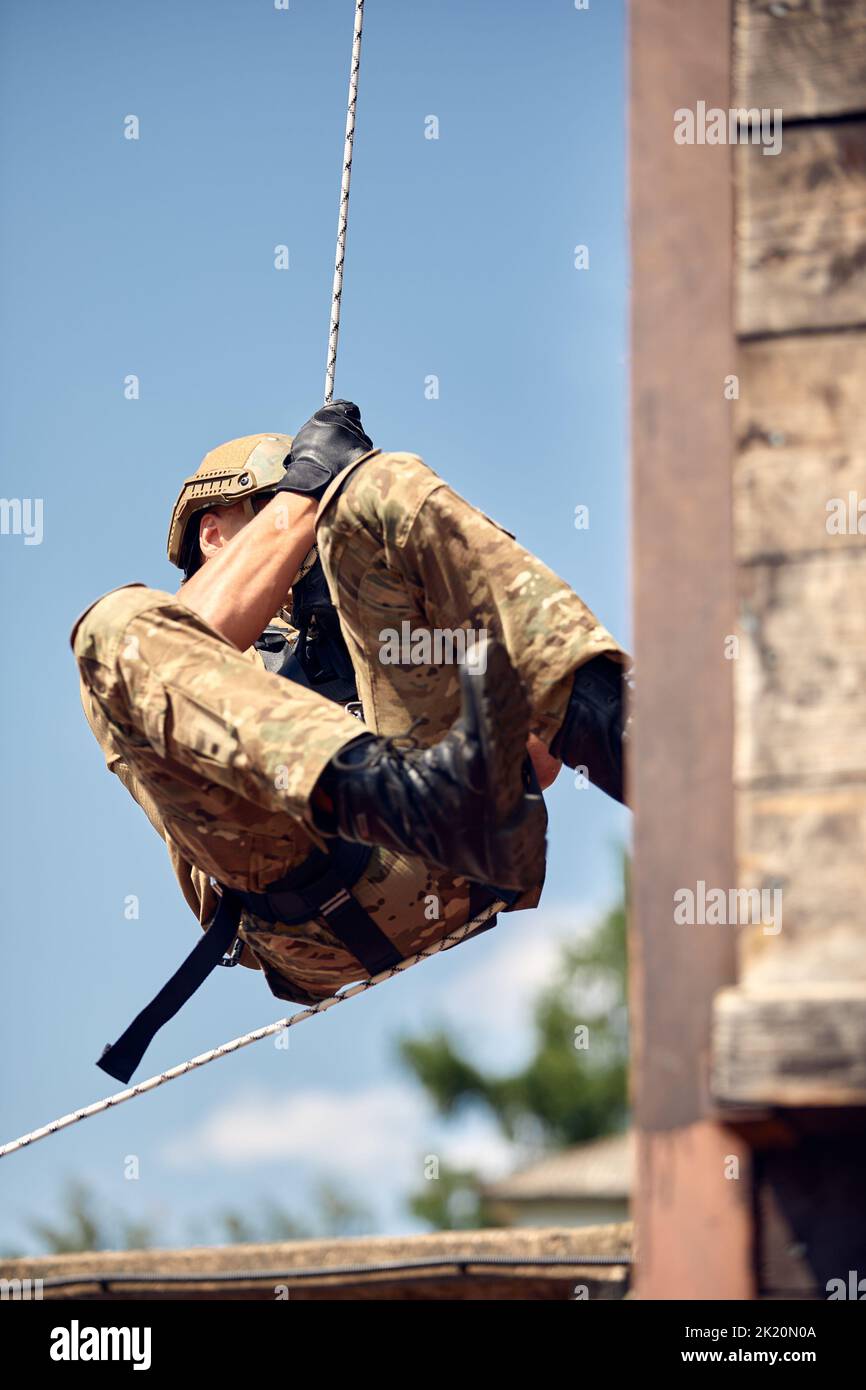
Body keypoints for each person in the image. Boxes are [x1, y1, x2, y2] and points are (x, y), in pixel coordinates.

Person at [71, 402, 629, 1080]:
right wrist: (305, 494)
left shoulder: (342, 617)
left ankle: (636, 741)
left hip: (453, 849)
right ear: (215, 534)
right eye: (279, 503)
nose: (310, 528)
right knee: (111, 627)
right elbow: (179, 637)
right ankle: (380, 787)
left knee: (382, 484)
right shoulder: (164, 662)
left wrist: (399, 594)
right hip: (299, 895)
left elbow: (536, 764)